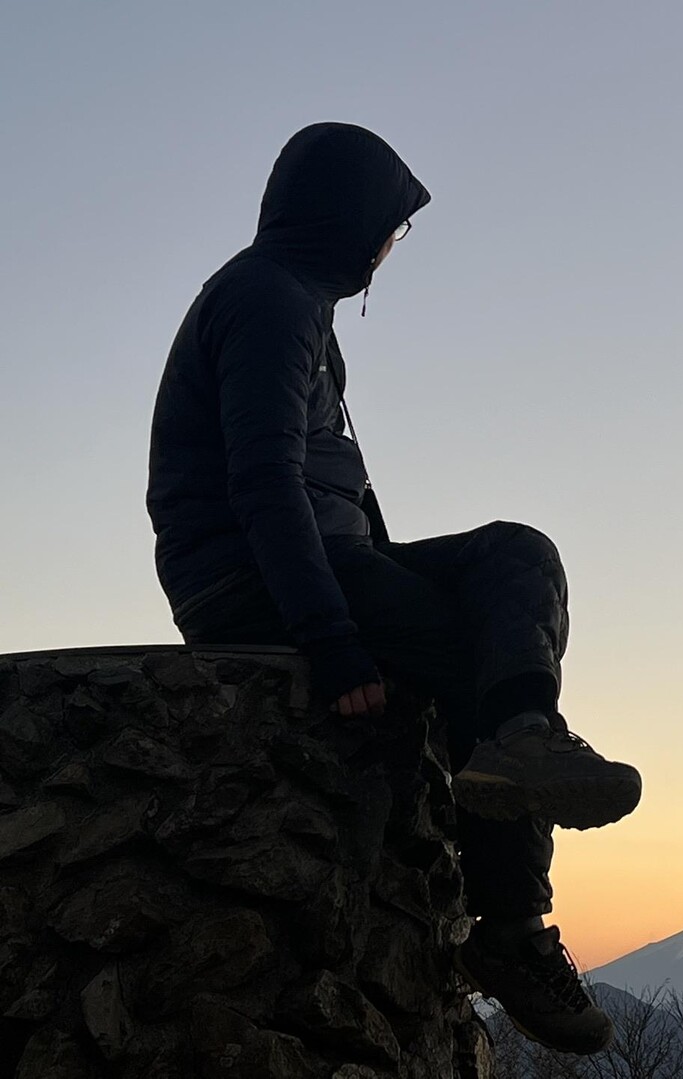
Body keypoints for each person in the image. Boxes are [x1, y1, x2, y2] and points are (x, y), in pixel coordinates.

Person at [146, 121, 640, 1055]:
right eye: (391, 224)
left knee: (514, 554)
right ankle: (514, 931)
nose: (389, 246)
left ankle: (524, 736)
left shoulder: (300, 307)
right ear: (347, 217)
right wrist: (330, 636)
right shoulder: (265, 300)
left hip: (317, 557)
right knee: (465, 651)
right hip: (247, 577)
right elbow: (263, 482)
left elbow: (329, 498)